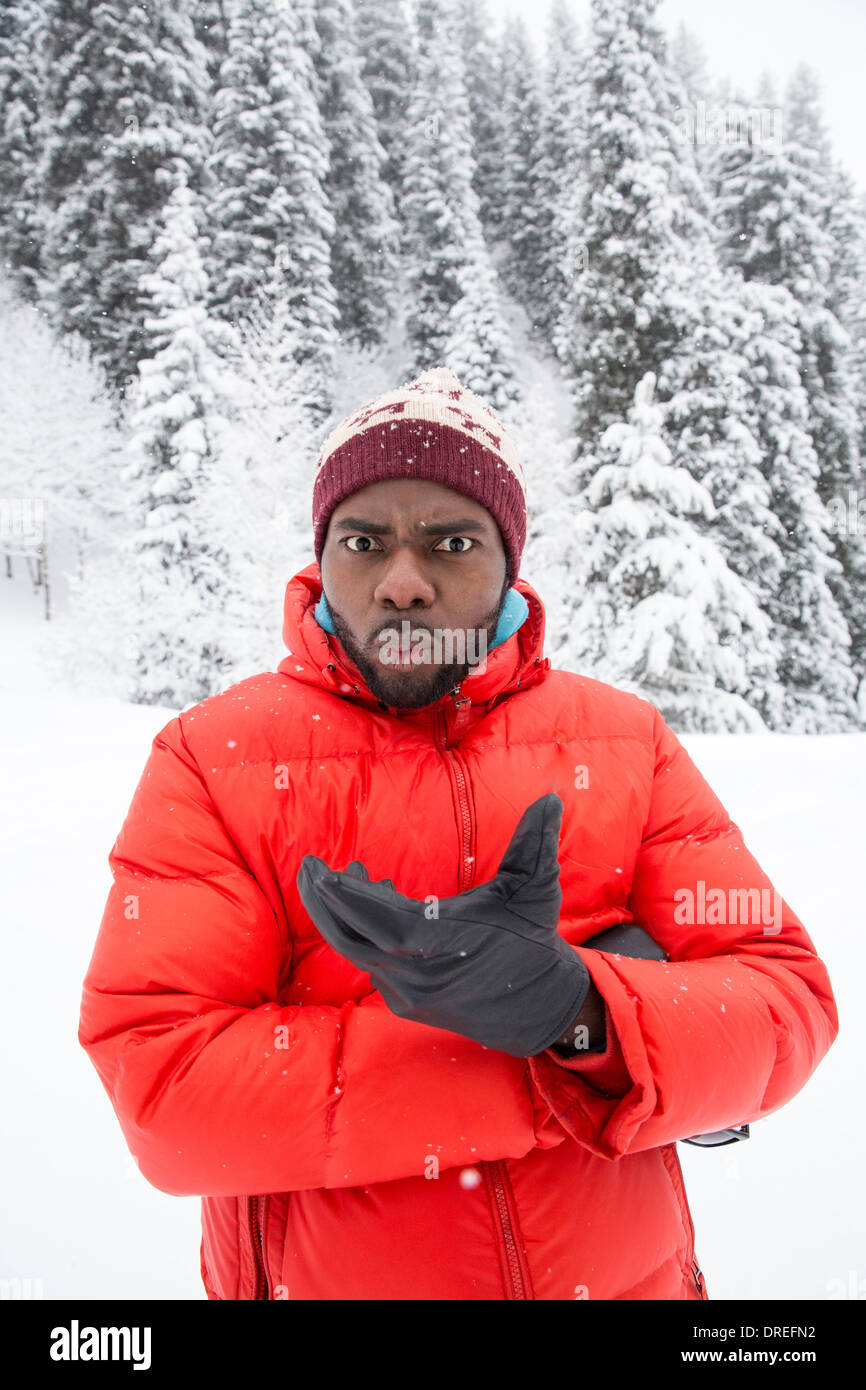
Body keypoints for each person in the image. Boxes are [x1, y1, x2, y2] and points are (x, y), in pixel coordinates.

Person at [78, 367, 839, 1300]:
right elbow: (167, 1092)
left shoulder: (626, 741)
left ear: (509, 565)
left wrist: (581, 1009)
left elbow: (785, 998)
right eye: (365, 542)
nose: (403, 585)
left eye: (450, 542)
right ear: (323, 561)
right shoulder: (213, 757)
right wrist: (555, 1063)